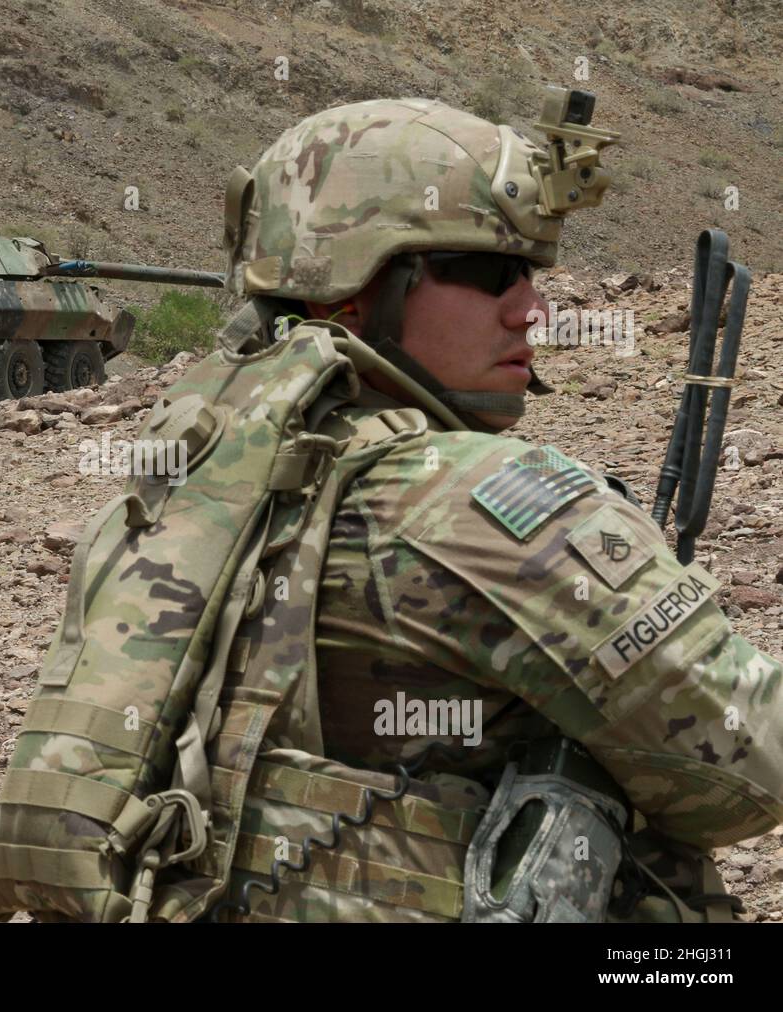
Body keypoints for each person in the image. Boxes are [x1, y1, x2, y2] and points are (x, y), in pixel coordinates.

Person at [216, 92, 783, 921]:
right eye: (487, 273)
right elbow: (746, 779)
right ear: (351, 288)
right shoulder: (484, 503)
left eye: (531, 274)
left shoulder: (188, 479)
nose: (532, 310)